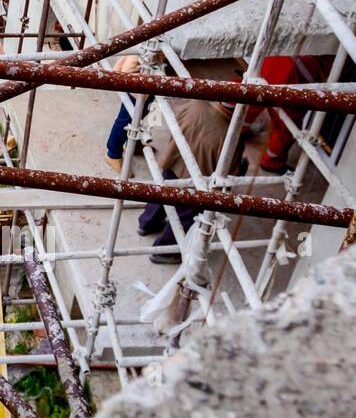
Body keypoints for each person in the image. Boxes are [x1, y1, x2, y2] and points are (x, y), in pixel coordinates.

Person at [142, 95, 259, 263]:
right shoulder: (232, 137)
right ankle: (165, 251)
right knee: (184, 217)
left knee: (161, 196)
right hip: (196, 181)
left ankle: (146, 224)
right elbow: (228, 176)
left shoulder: (195, 106)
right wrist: (242, 167)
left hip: (173, 162)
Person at [104, 54, 141, 171]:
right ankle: (113, 154)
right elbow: (128, 69)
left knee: (139, 115)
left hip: (141, 81)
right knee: (126, 119)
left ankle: (132, 144)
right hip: (137, 85)